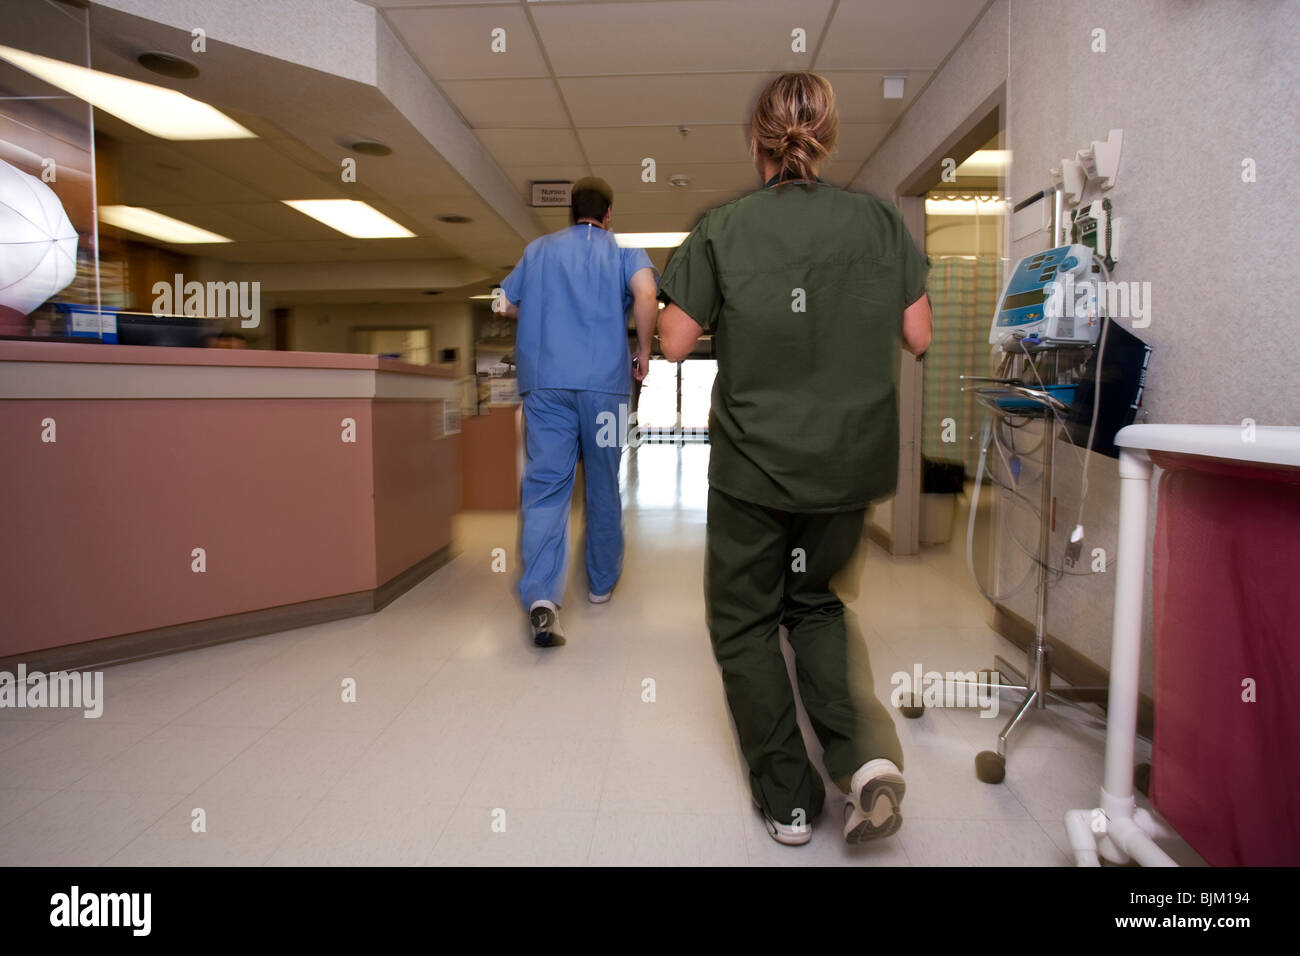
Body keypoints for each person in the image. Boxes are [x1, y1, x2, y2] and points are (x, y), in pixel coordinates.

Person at [656, 72, 933, 846]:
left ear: (758, 144)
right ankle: (869, 759)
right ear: (828, 139)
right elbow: (919, 335)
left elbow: (675, 339)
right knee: (814, 606)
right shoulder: (879, 224)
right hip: (846, 469)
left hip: (754, 469)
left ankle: (791, 800)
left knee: (745, 623)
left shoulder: (724, 228)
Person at [498, 177, 659, 647]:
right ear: (609, 215)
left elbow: (503, 301)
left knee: (546, 487)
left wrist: (539, 314)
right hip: (605, 390)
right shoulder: (625, 251)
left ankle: (543, 599)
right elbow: (647, 296)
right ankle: (601, 585)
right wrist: (644, 352)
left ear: (571, 212)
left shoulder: (539, 249)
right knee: (603, 483)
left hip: (546, 386)